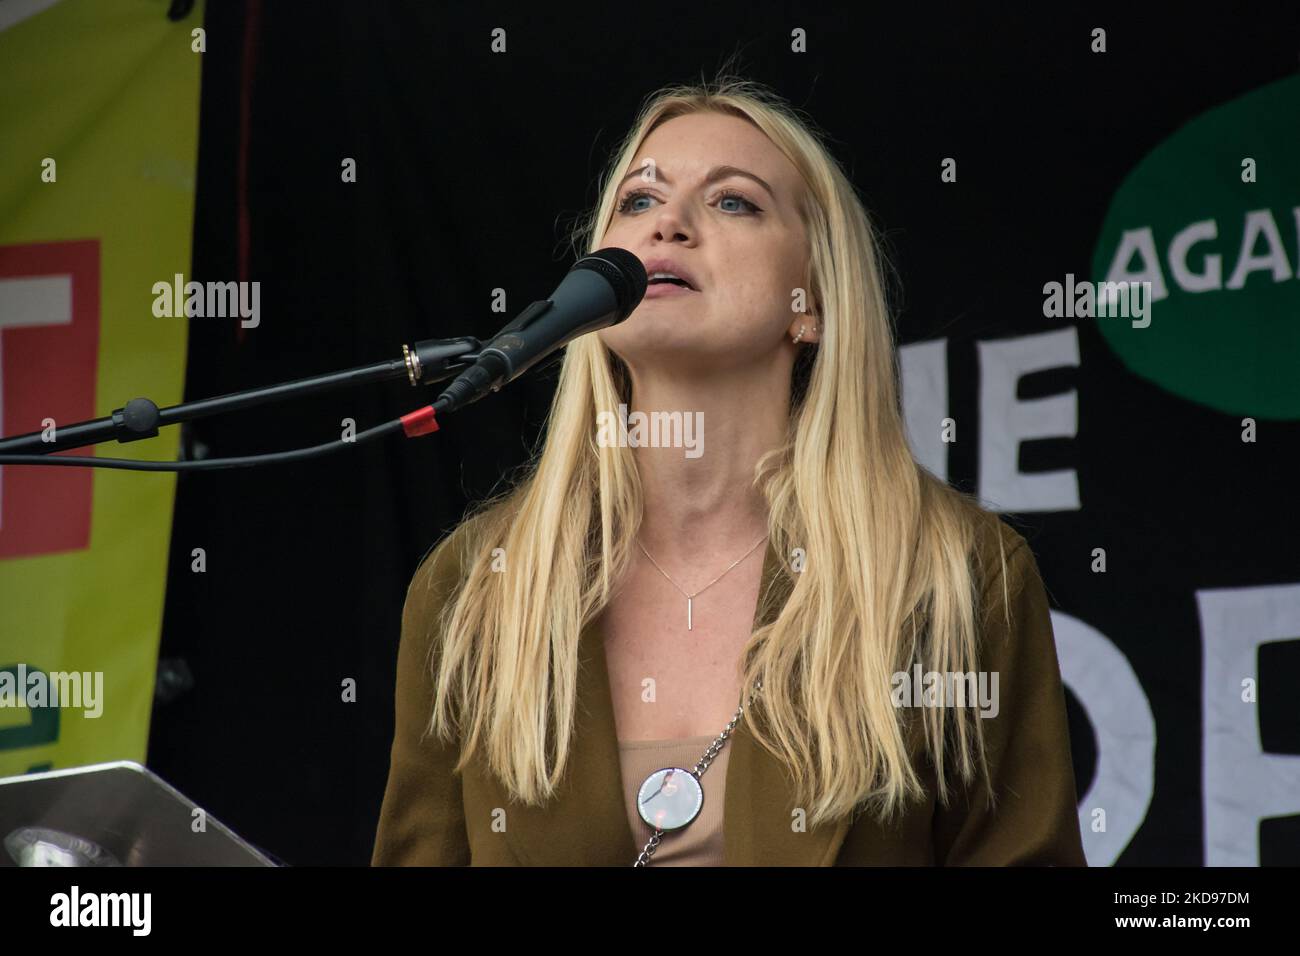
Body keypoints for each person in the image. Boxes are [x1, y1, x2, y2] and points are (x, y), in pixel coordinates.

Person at [372, 74, 1086, 866]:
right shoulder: (474, 587)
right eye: (638, 202)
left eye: (733, 201)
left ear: (809, 300)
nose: (668, 224)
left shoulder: (955, 576)